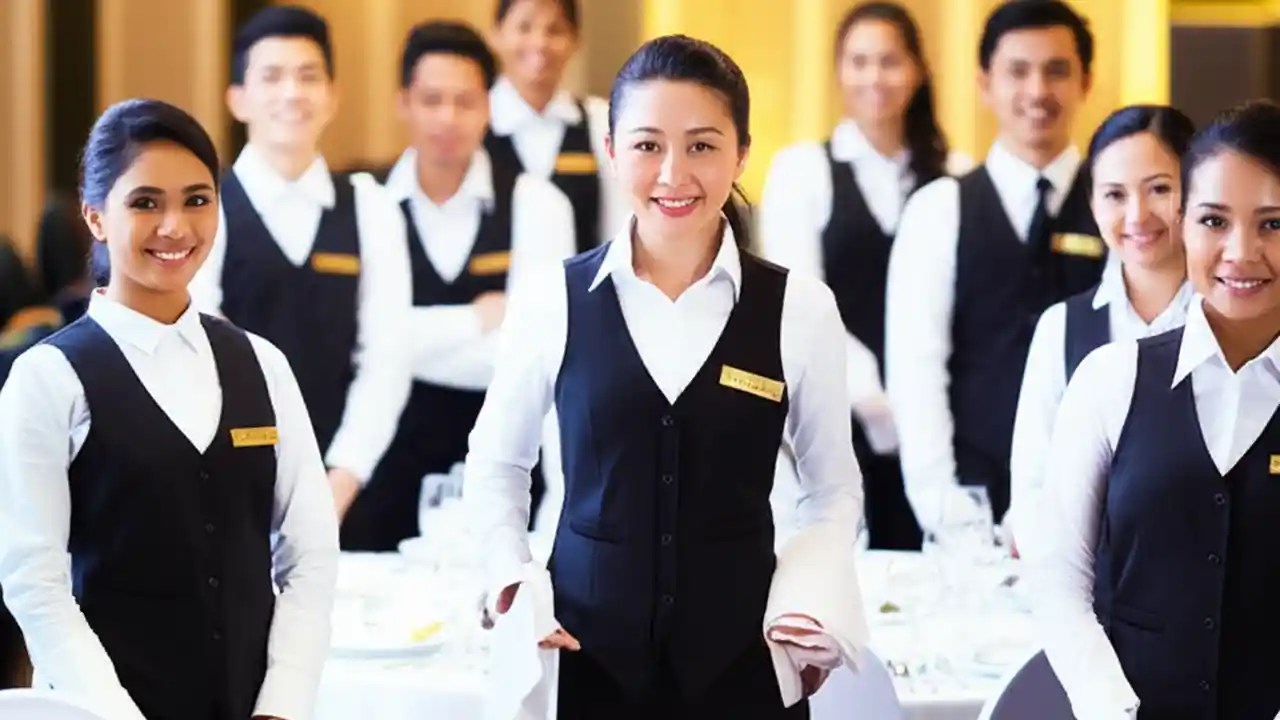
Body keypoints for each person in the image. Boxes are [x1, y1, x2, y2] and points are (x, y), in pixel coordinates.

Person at [466, 34, 867, 717]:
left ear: (742, 153)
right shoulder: (551, 298)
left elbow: (831, 489)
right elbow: (498, 464)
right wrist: (512, 579)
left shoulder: (800, 308)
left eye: (702, 145)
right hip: (584, 666)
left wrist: (808, 607)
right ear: (611, 150)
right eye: (648, 145)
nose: (673, 174)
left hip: (745, 671)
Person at [0, 98, 338, 720]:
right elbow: (34, 584)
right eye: (145, 203)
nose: (175, 227)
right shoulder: (47, 378)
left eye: (197, 200)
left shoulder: (262, 364)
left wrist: (281, 704)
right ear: (96, 217)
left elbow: (310, 554)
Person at [1033, 99, 1280, 720]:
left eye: (1273, 224)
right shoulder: (1110, 379)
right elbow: (1059, 579)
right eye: (1215, 220)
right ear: (1182, 222)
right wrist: (1111, 709)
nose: (1241, 251)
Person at [884, 0, 1104, 533]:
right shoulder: (939, 209)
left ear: (1085, 82)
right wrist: (945, 506)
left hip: (1097, 499)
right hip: (971, 497)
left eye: (1056, 70)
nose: (1037, 90)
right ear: (985, 84)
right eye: (1017, 71)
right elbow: (916, 371)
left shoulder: (1118, 206)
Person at [190, 5, 412, 526]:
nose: (292, 92)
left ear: (333, 96)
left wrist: (340, 481)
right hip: (223, 485)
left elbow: (388, 357)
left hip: (346, 495)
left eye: (309, 76)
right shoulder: (205, 206)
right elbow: (196, 345)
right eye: (272, 76)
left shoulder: (371, 207)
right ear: (237, 99)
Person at [357, 21, 576, 551]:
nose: (447, 118)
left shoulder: (538, 204)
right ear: (403, 103)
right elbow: (356, 343)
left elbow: (535, 350)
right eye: (431, 100)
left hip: (505, 467)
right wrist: (475, 319)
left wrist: (401, 342)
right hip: (382, 465)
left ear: (489, 107)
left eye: (465, 101)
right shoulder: (367, 204)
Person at [761, 0, 969, 550]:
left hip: (945, 416)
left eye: (890, 61)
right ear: (838, 71)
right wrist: (877, 400)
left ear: (918, 71)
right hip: (838, 413)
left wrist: (918, 409)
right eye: (859, 62)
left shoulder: (958, 176)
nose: (874, 77)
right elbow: (800, 300)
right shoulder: (802, 170)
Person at [1008, 105, 1196, 552]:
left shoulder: (1234, 321)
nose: (1137, 215)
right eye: (1115, 195)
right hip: (1090, 584)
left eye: (1159, 189)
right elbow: (1033, 494)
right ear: (1092, 204)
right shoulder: (1061, 329)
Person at [485, 0, 625, 250]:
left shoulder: (601, 121)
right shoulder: (474, 123)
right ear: (496, 35)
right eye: (524, 27)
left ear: (576, 40)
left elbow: (619, 232)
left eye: (555, 30)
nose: (540, 42)